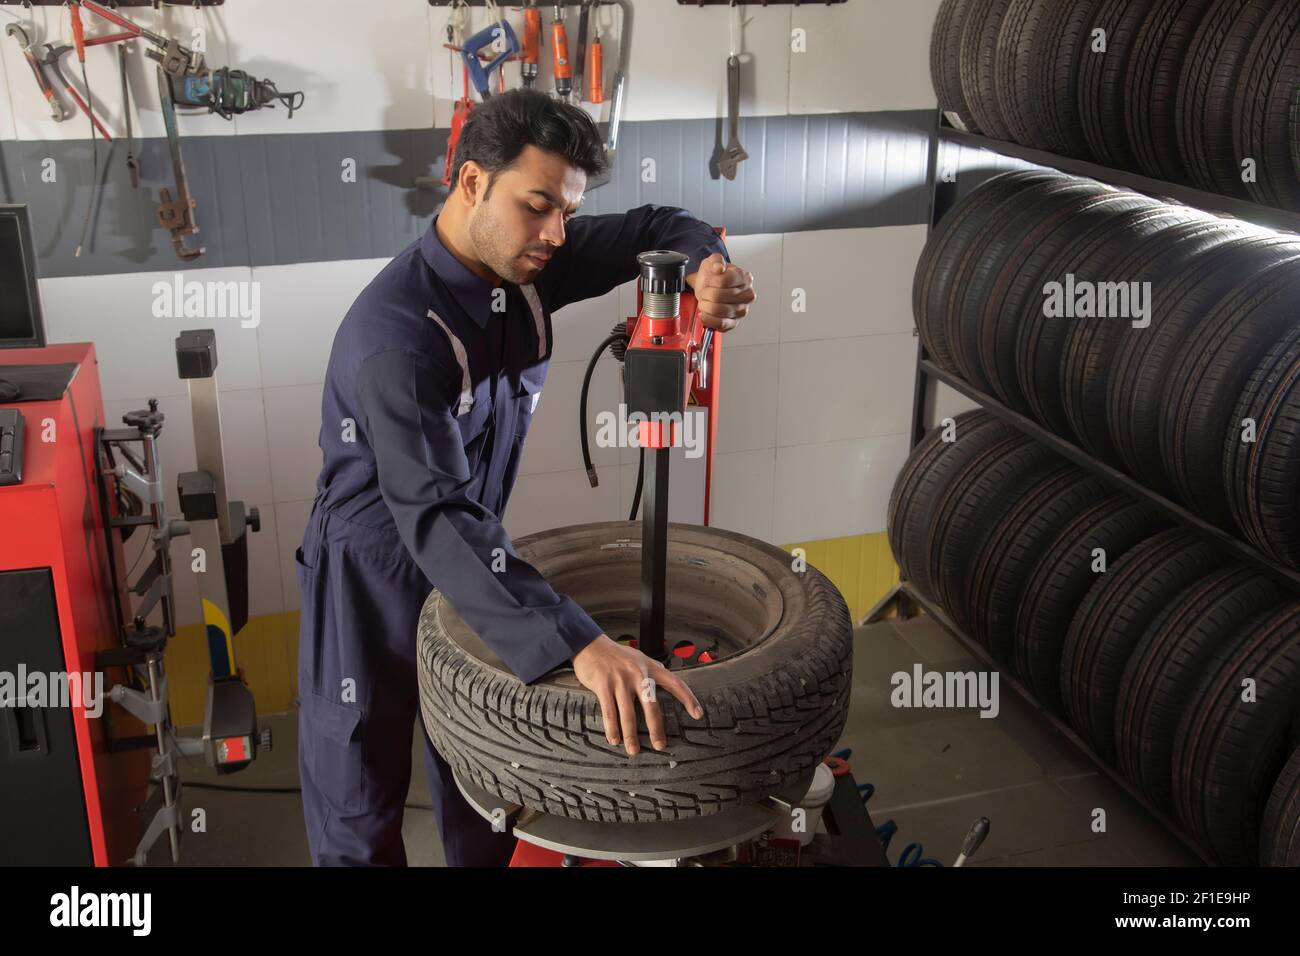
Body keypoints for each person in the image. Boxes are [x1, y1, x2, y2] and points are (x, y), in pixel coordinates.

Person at [295, 88, 756, 866]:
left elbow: (654, 228)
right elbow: (433, 512)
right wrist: (577, 642)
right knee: (358, 804)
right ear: (471, 181)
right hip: (367, 576)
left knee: (487, 773)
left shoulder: (529, 264)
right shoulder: (398, 338)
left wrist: (705, 268)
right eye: (538, 205)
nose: (555, 234)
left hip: (469, 554)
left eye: (568, 213)